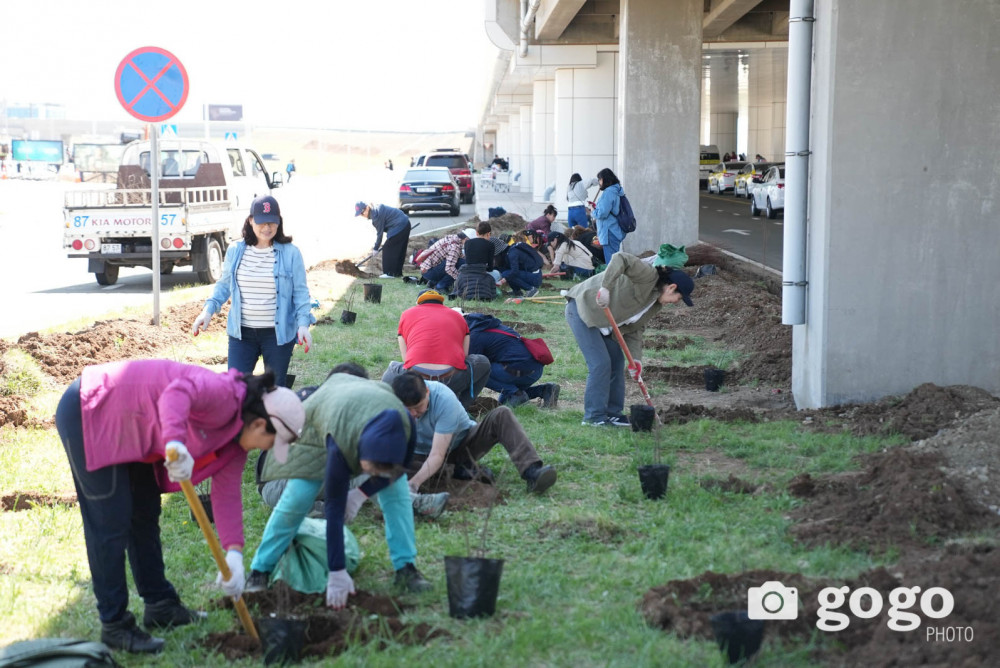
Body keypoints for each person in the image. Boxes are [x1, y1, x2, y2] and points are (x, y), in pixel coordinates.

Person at [54, 361, 304, 654]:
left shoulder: (236, 445)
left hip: (134, 425)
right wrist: (176, 443)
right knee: (110, 524)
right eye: (270, 442)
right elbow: (177, 393)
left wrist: (234, 554)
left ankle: (160, 605)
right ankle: (115, 626)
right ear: (260, 424)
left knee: (144, 515)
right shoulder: (224, 394)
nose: (266, 450)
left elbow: (228, 496)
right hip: (94, 408)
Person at [250, 372, 432, 609]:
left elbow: (395, 471)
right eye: (367, 470)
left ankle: (406, 568)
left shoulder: (406, 427)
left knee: (397, 494)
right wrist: (337, 569)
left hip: (363, 406)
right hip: (322, 421)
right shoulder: (339, 447)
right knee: (297, 498)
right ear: (358, 457)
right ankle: (259, 570)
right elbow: (334, 509)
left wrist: (359, 495)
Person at [253, 363, 449, 542]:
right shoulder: (309, 401)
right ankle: (324, 510)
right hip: (277, 484)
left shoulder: (351, 410)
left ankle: (411, 502)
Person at [193, 195, 314, 389]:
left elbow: (300, 293)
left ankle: (272, 420)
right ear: (250, 221)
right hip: (242, 335)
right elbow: (224, 286)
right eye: (261, 222)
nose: (267, 228)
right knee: (236, 389)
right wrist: (207, 311)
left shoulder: (291, 253)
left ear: (279, 222)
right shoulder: (236, 250)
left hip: (278, 335)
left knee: (274, 391)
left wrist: (303, 325)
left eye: (272, 223)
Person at [565, 252, 695, 427]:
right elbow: (620, 258)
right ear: (671, 287)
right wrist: (605, 287)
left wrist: (636, 359)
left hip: (606, 323)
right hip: (584, 309)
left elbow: (636, 328)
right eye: (678, 298)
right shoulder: (647, 276)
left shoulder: (655, 304)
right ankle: (593, 417)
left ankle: (613, 414)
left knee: (617, 362)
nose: (675, 302)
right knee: (600, 364)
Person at [391, 373, 557, 494]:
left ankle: (532, 472)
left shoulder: (443, 398)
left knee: (501, 414)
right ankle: (462, 473)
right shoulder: (390, 405)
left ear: (427, 391)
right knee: (390, 465)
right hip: (420, 456)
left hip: (462, 445)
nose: (413, 414)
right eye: (408, 410)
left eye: (418, 407)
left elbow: (437, 454)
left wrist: (412, 485)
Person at [381, 289, 490, 409]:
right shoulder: (458, 317)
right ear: (441, 303)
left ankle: (393, 407)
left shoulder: (407, 314)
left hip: (415, 382)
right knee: (483, 362)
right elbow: (464, 357)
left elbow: (406, 359)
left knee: (393, 367)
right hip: (450, 380)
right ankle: (460, 407)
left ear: (418, 304)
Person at [464, 312, 560, 408]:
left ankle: (517, 394)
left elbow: (471, 366)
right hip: (535, 370)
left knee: (479, 372)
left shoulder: (475, 336)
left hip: (519, 371)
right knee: (504, 402)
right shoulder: (490, 326)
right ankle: (545, 390)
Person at [355, 201, 412, 278]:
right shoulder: (376, 210)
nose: (362, 215)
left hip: (399, 226)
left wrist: (375, 248)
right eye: (360, 214)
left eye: (362, 212)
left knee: (387, 248)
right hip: (405, 224)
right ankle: (397, 273)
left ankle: (389, 273)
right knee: (399, 250)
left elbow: (380, 234)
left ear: (367, 207)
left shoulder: (376, 215)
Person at [453, 221, 499, 301]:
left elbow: (467, 261)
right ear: (489, 234)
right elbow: (490, 266)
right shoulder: (491, 245)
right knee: (497, 273)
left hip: (467, 272)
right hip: (482, 271)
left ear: (477, 233)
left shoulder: (467, 243)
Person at [593, 167, 626, 264]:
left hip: (609, 232)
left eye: (599, 179)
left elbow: (602, 213)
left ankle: (614, 279)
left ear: (603, 179)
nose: (599, 182)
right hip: (614, 230)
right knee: (614, 262)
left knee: (611, 265)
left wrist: (592, 210)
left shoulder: (608, 192)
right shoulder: (617, 190)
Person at [500, 231, 544, 298]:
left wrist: (505, 279)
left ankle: (530, 289)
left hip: (535, 277)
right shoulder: (512, 250)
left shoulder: (512, 253)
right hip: (536, 274)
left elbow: (515, 271)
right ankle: (517, 292)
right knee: (507, 272)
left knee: (506, 274)